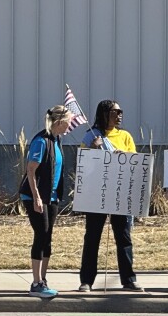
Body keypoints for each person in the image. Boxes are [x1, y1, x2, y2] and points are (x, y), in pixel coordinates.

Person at [77, 99, 141, 293]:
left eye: (121, 112)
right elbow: (83, 166)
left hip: (119, 194)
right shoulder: (91, 136)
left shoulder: (125, 136)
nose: (119, 115)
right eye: (115, 112)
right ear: (104, 114)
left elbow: (135, 163)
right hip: (97, 194)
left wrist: (125, 157)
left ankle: (128, 278)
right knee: (92, 238)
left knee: (123, 237)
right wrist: (94, 149)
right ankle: (87, 280)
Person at [22, 105, 73, 299]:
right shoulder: (41, 141)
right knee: (41, 235)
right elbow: (31, 170)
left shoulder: (56, 140)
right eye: (69, 121)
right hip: (36, 196)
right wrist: (36, 197)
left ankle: (43, 279)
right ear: (60, 122)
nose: (70, 124)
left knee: (48, 237)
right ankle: (35, 283)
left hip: (51, 197)